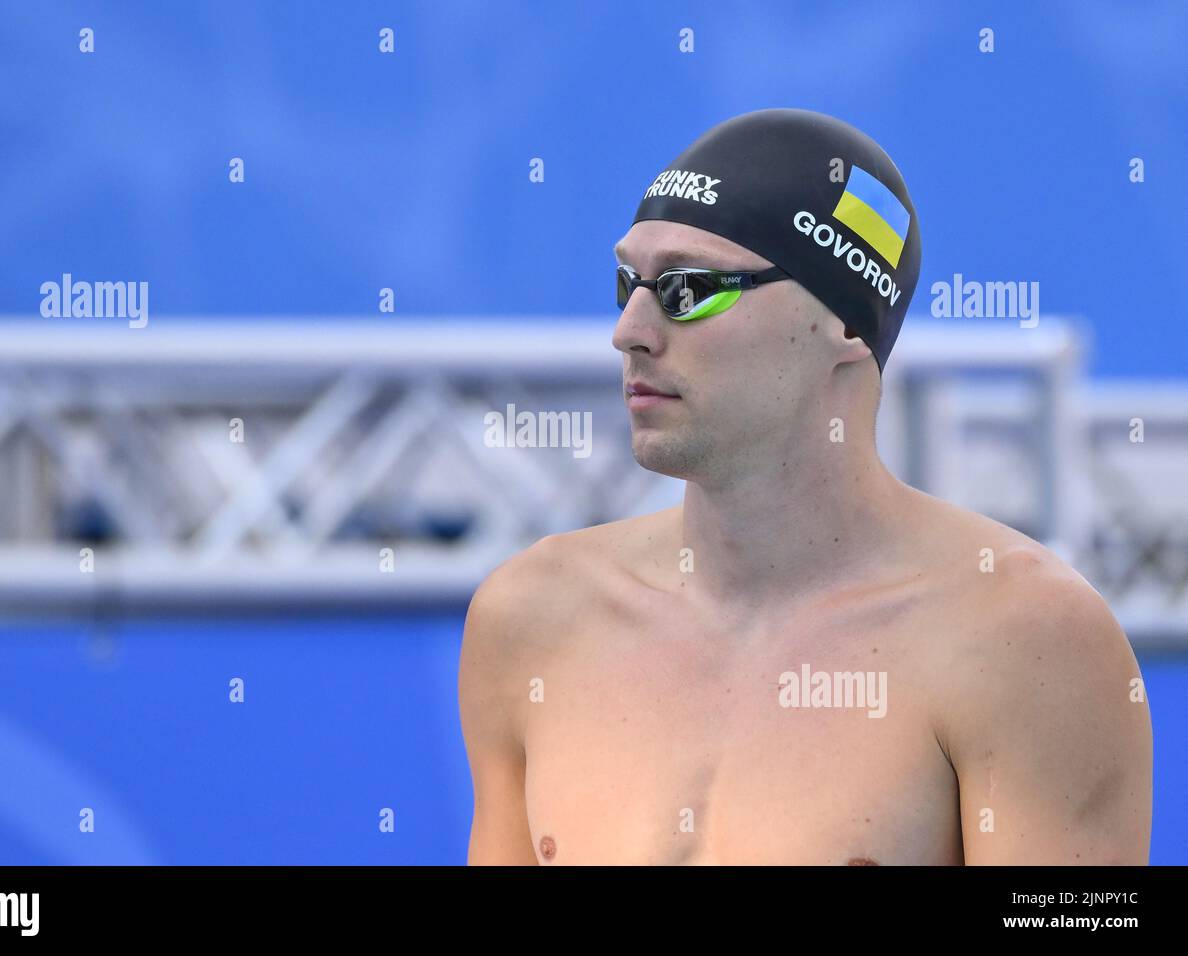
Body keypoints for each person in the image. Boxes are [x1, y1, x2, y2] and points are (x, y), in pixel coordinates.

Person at [458, 108, 1152, 865]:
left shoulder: (1027, 643)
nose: (629, 329)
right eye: (628, 281)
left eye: (689, 289)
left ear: (846, 326)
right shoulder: (531, 621)